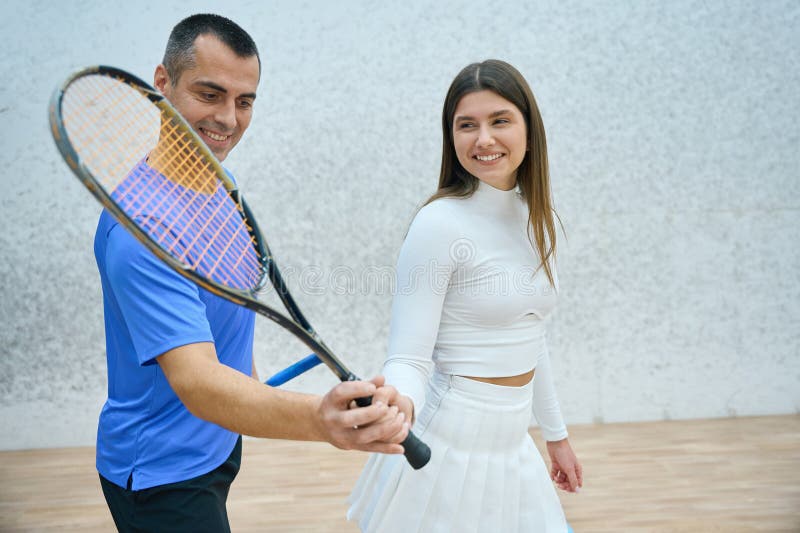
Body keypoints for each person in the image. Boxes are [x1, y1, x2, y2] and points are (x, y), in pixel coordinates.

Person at [93, 14, 409, 532]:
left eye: (245, 101)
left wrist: (255, 393)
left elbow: (221, 317)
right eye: (210, 94)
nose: (228, 118)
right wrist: (317, 419)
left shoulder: (219, 182)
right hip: (161, 475)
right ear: (162, 83)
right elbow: (196, 381)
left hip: (217, 441)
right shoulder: (139, 230)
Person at [347, 59, 582, 532]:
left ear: (529, 132)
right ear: (451, 138)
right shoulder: (438, 225)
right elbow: (409, 358)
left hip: (514, 445)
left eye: (500, 121)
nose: (484, 139)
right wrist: (402, 403)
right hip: (445, 443)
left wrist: (555, 436)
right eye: (467, 125)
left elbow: (533, 336)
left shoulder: (543, 222)